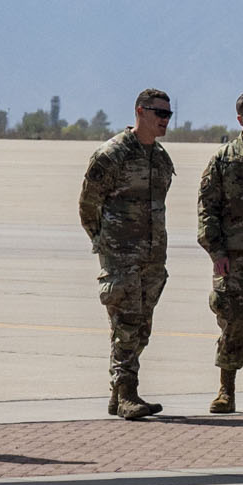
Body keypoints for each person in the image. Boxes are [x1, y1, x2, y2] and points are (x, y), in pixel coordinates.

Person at [79, 88, 176, 420]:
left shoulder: (161, 158)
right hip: (121, 256)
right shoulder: (112, 155)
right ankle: (127, 394)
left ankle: (119, 393)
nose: (164, 120)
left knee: (141, 327)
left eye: (168, 114)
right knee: (126, 323)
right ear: (140, 112)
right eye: (159, 113)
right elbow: (88, 205)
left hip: (152, 257)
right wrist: (105, 243)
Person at [194, 91, 243, 414]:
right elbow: (207, 208)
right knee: (232, 322)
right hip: (235, 256)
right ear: (240, 119)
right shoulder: (224, 159)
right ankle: (226, 389)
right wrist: (216, 251)